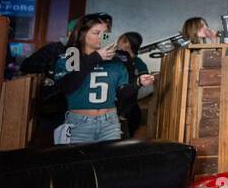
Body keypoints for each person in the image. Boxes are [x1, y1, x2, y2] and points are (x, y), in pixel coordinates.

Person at [51, 15, 153, 144]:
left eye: (105, 33)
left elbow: (121, 92)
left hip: (109, 122)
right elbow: (67, 86)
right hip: (79, 123)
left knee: (107, 163)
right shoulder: (73, 54)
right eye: (96, 33)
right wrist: (96, 57)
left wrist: (138, 83)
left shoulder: (116, 59)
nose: (101, 37)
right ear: (82, 33)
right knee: (80, 162)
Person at [113, 31, 150, 137]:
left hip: (127, 110)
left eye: (120, 39)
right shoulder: (114, 59)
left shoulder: (138, 63)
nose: (117, 42)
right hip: (115, 108)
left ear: (126, 43)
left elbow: (146, 86)